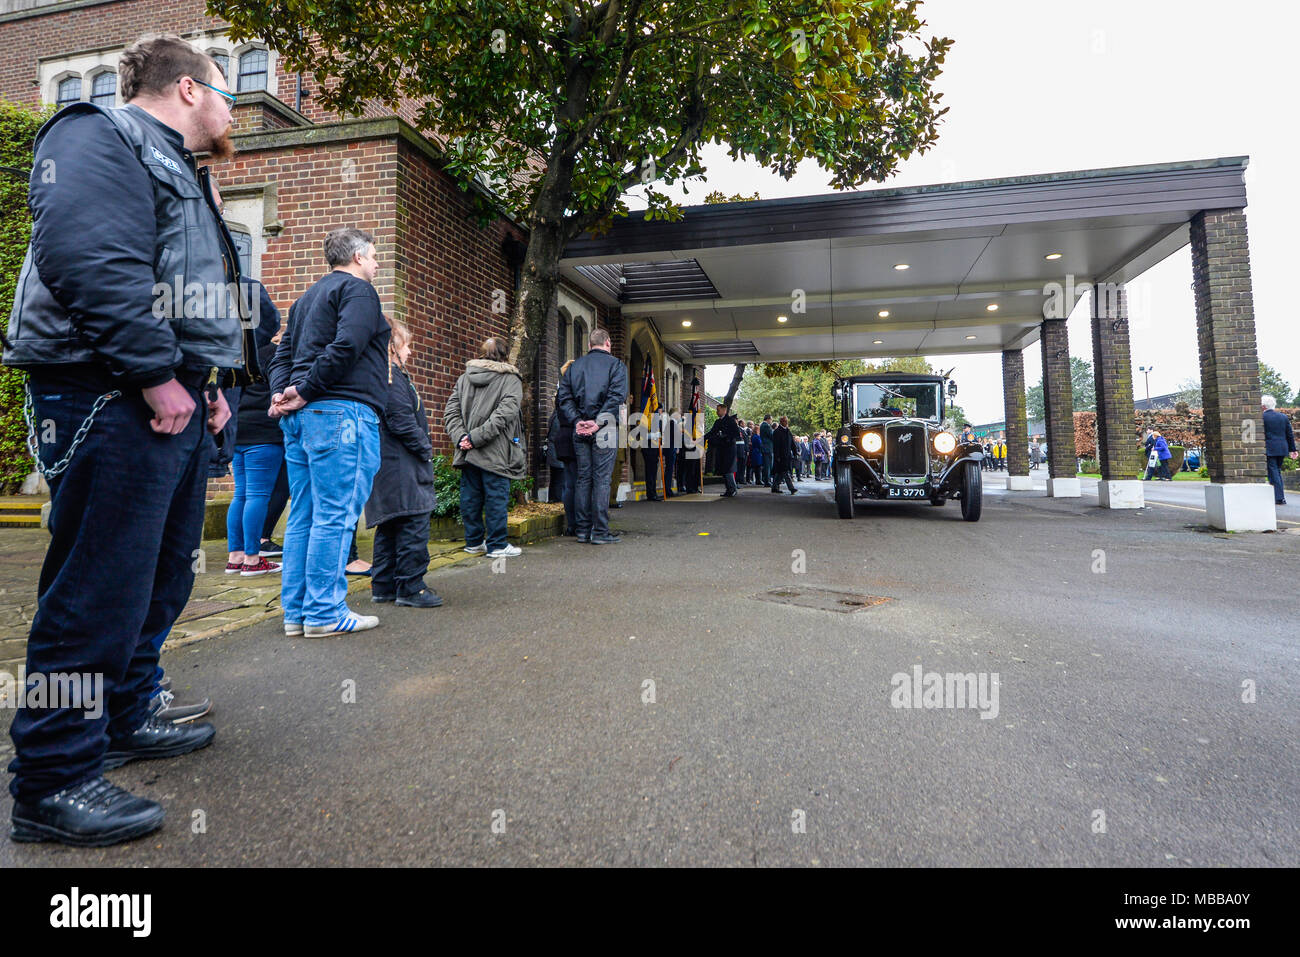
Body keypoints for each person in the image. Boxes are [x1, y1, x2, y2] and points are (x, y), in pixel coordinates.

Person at [4, 34, 243, 846]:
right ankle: (51, 778)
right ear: (187, 89)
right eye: (228, 94)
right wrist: (152, 371)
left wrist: (208, 386)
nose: (232, 111)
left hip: (168, 397)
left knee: (159, 574)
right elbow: (87, 258)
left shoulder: (183, 167)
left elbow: (189, 292)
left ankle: (128, 710)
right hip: (105, 391)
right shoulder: (98, 134)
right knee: (94, 591)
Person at [270, 227, 390, 638]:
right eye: (374, 256)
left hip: (303, 420)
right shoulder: (359, 292)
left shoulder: (305, 299)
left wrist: (283, 393)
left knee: (304, 514)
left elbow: (282, 354)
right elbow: (348, 345)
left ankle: (297, 612)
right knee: (335, 515)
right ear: (357, 257)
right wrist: (302, 390)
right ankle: (324, 613)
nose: (376, 263)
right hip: (343, 414)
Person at [364, 321, 441, 608]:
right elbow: (401, 420)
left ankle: (384, 585)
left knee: (390, 525)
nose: (411, 351)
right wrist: (426, 449)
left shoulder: (381, 378)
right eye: (407, 345)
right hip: (402, 467)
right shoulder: (392, 379)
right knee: (412, 522)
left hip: (389, 467)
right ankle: (411, 587)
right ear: (393, 348)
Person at [445, 337, 527, 557]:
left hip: (468, 452)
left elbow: (450, 412)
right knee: (496, 498)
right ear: (505, 354)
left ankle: (473, 542)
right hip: (496, 451)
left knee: (470, 497)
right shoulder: (511, 380)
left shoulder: (464, 378)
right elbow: (505, 415)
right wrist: (475, 437)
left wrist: (463, 437)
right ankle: (497, 545)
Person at [225, 301, 284, 577]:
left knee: (241, 494)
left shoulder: (236, 353)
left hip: (238, 432)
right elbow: (279, 388)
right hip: (264, 433)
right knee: (258, 495)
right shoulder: (274, 353)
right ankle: (252, 559)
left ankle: (234, 556)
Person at [557, 327, 628, 543]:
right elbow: (616, 397)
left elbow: (564, 398)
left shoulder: (574, 367)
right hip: (604, 428)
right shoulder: (617, 365)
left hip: (580, 429)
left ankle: (582, 530)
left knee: (583, 479)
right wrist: (598, 423)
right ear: (608, 344)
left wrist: (578, 421)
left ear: (589, 345)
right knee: (602, 479)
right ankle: (599, 532)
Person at [546, 360, 578, 532]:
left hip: (563, 440)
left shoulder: (561, 393)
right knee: (578, 483)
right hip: (576, 438)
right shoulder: (578, 390)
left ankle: (571, 525)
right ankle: (579, 523)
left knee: (569, 484)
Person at [1262, 395, 1297, 505]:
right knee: (1276, 471)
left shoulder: (1262, 418)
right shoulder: (1283, 417)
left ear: (1263, 406)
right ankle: (1277, 495)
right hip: (1282, 448)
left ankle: (1279, 497)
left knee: (1274, 471)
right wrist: (1293, 449)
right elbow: (1289, 434)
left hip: (1270, 448)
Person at [704, 405, 742, 497]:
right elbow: (712, 432)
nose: (717, 412)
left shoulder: (730, 421)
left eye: (718, 410)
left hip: (729, 449)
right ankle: (729, 489)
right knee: (724, 470)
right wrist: (702, 438)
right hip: (721, 449)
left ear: (724, 410)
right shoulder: (718, 422)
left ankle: (732, 489)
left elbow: (736, 433)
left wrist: (726, 437)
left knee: (728, 469)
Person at [769, 416, 798, 493]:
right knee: (785, 472)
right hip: (781, 456)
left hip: (787, 455)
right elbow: (776, 445)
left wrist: (795, 452)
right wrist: (777, 456)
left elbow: (792, 443)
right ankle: (791, 488)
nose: (787, 423)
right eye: (785, 421)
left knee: (780, 473)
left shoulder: (788, 431)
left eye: (787, 421)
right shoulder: (777, 432)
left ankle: (775, 487)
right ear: (781, 422)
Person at [661, 407, 680, 498]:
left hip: (670, 448)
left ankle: (668, 488)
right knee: (669, 469)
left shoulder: (672, 423)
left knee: (669, 469)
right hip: (670, 449)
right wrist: (677, 447)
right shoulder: (672, 423)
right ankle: (667, 489)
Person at [759, 414, 775, 486]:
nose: (771, 421)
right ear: (768, 419)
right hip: (767, 448)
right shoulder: (766, 426)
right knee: (767, 465)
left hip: (766, 447)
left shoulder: (763, 425)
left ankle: (767, 480)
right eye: (771, 419)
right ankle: (767, 481)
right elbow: (771, 435)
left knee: (767, 465)